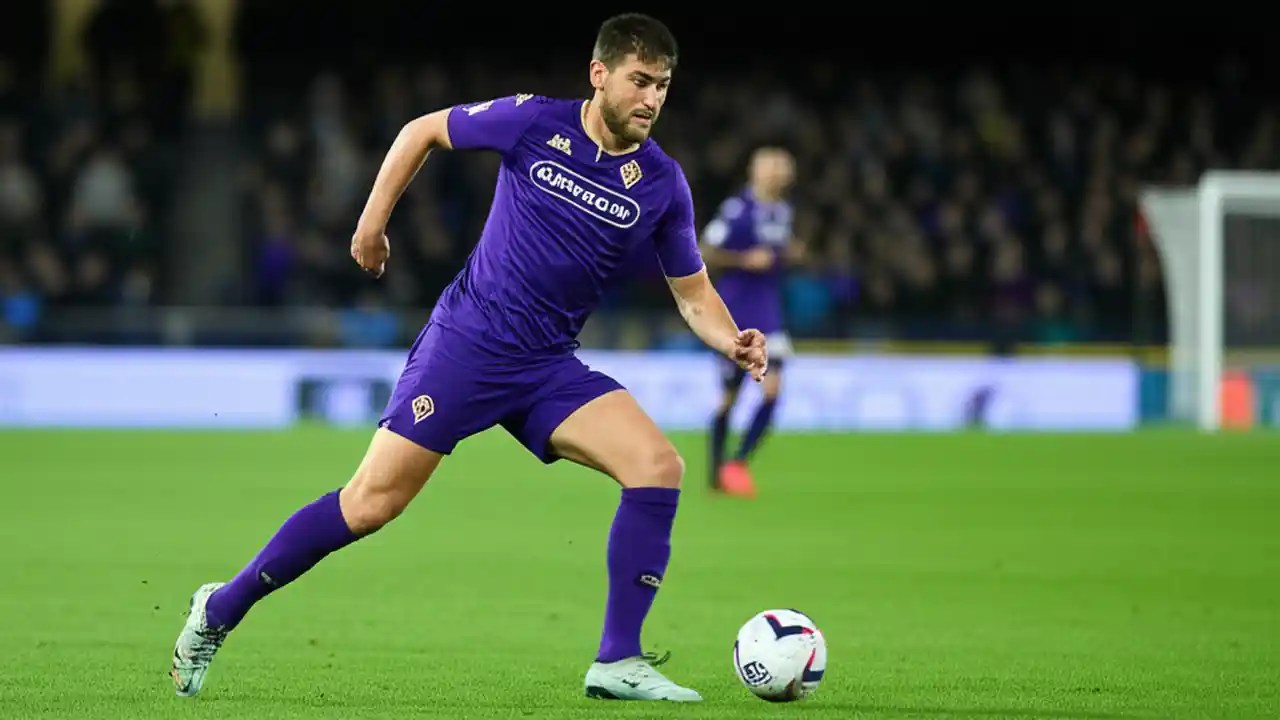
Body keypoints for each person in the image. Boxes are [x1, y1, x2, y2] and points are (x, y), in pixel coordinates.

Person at [168, 13, 766, 704]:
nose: (652, 99)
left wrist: (731, 338)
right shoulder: (532, 123)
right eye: (639, 81)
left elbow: (693, 295)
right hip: (468, 346)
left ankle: (617, 660)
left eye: (663, 86)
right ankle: (218, 610)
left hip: (548, 366)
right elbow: (419, 130)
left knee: (658, 466)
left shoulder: (661, 182)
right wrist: (372, 221)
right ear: (599, 75)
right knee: (369, 505)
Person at [700, 146, 801, 498]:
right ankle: (716, 470)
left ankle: (737, 463)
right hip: (737, 311)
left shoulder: (783, 212)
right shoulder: (737, 209)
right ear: (755, 171)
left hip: (769, 312)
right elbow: (705, 251)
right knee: (729, 397)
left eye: (783, 167)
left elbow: (776, 254)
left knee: (772, 392)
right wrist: (744, 259)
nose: (778, 173)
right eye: (771, 166)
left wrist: (787, 255)